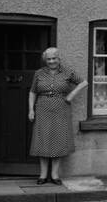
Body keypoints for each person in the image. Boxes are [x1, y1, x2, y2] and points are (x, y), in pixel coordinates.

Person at [28, 47, 88, 185]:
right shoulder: (39, 73)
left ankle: (55, 175)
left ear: (59, 58)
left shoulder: (68, 72)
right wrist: (31, 110)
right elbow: (32, 92)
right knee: (43, 140)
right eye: (48, 59)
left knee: (58, 139)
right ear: (45, 60)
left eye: (54, 58)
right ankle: (42, 175)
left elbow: (84, 82)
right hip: (42, 108)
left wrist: (72, 95)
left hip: (61, 109)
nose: (51, 61)